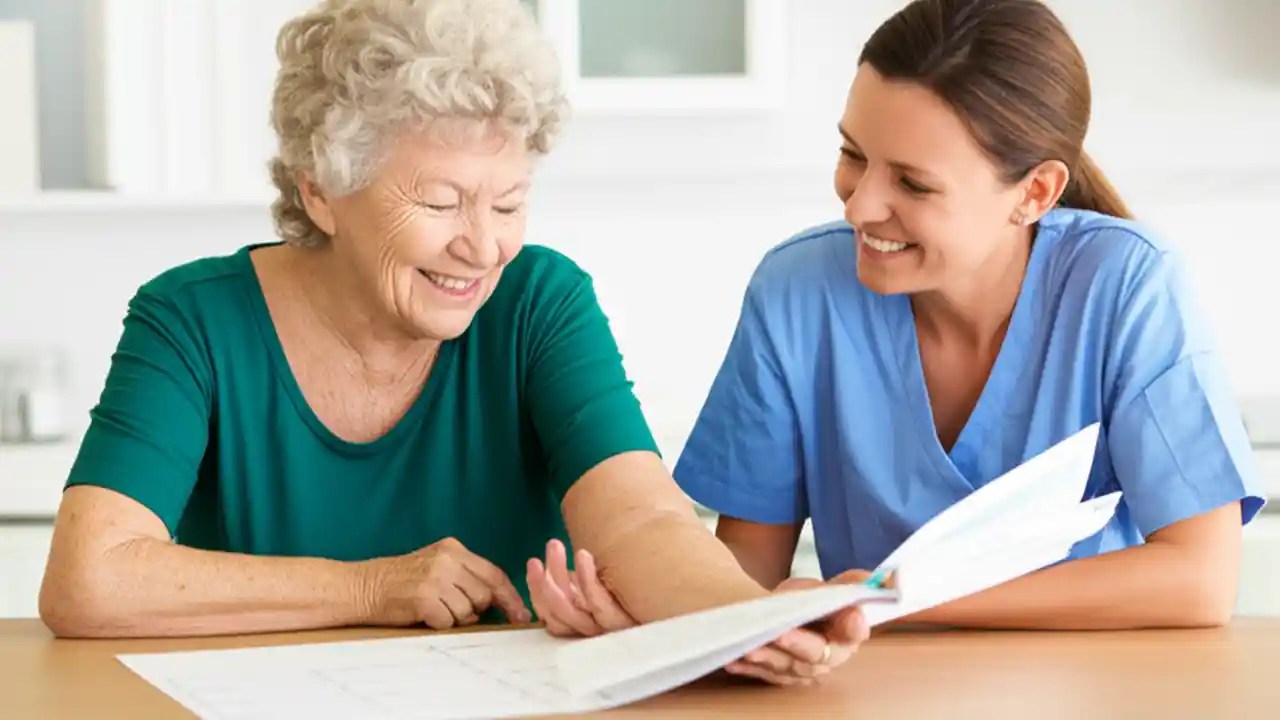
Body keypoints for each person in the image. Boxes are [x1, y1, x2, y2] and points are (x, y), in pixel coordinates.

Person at [37, 0, 863, 685]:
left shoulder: (539, 301)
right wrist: (374, 588)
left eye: (508, 204)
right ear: (320, 191)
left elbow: (642, 519)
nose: (484, 246)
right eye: (439, 203)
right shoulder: (192, 320)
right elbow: (90, 580)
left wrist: (747, 618)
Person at [534, 0, 1266, 642]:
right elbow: (745, 577)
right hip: (871, 691)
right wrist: (657, 622)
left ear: (1035, 192)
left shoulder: (1126, 285)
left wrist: (896, 598)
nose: (859, 206)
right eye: (852, 154)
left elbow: (1199, 581)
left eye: (913, 183)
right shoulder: (797, 294)